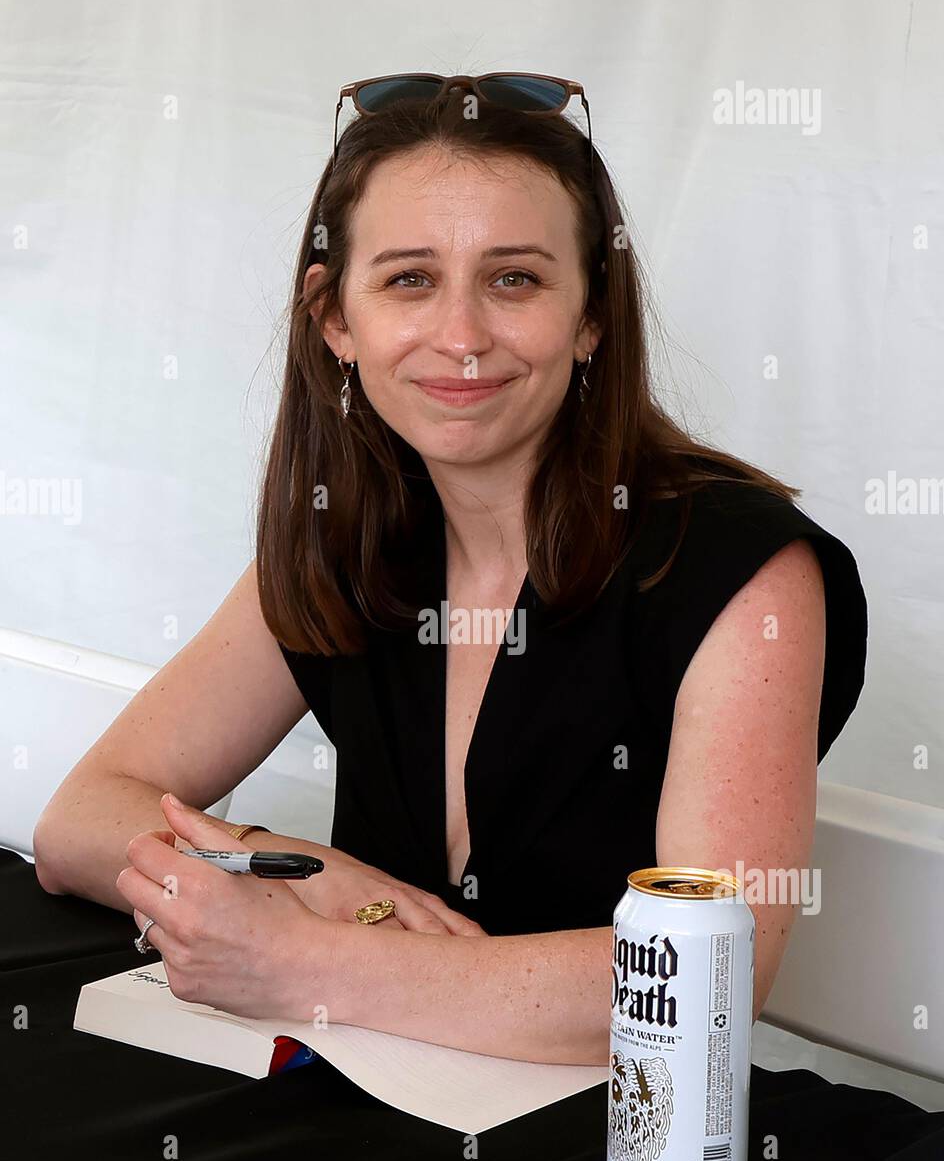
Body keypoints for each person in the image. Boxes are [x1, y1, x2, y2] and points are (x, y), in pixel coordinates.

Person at [33, 75, 867, 1066]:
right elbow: (78, 822)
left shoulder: (742, 571)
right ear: (333, 318)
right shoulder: (344, 537)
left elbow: (705, 979)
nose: (461, 338)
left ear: (589, 314)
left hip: (599, 1147)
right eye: (408, 279)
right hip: (374, 1109)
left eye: (512, 278)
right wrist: (300, 873)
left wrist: (308, 963)